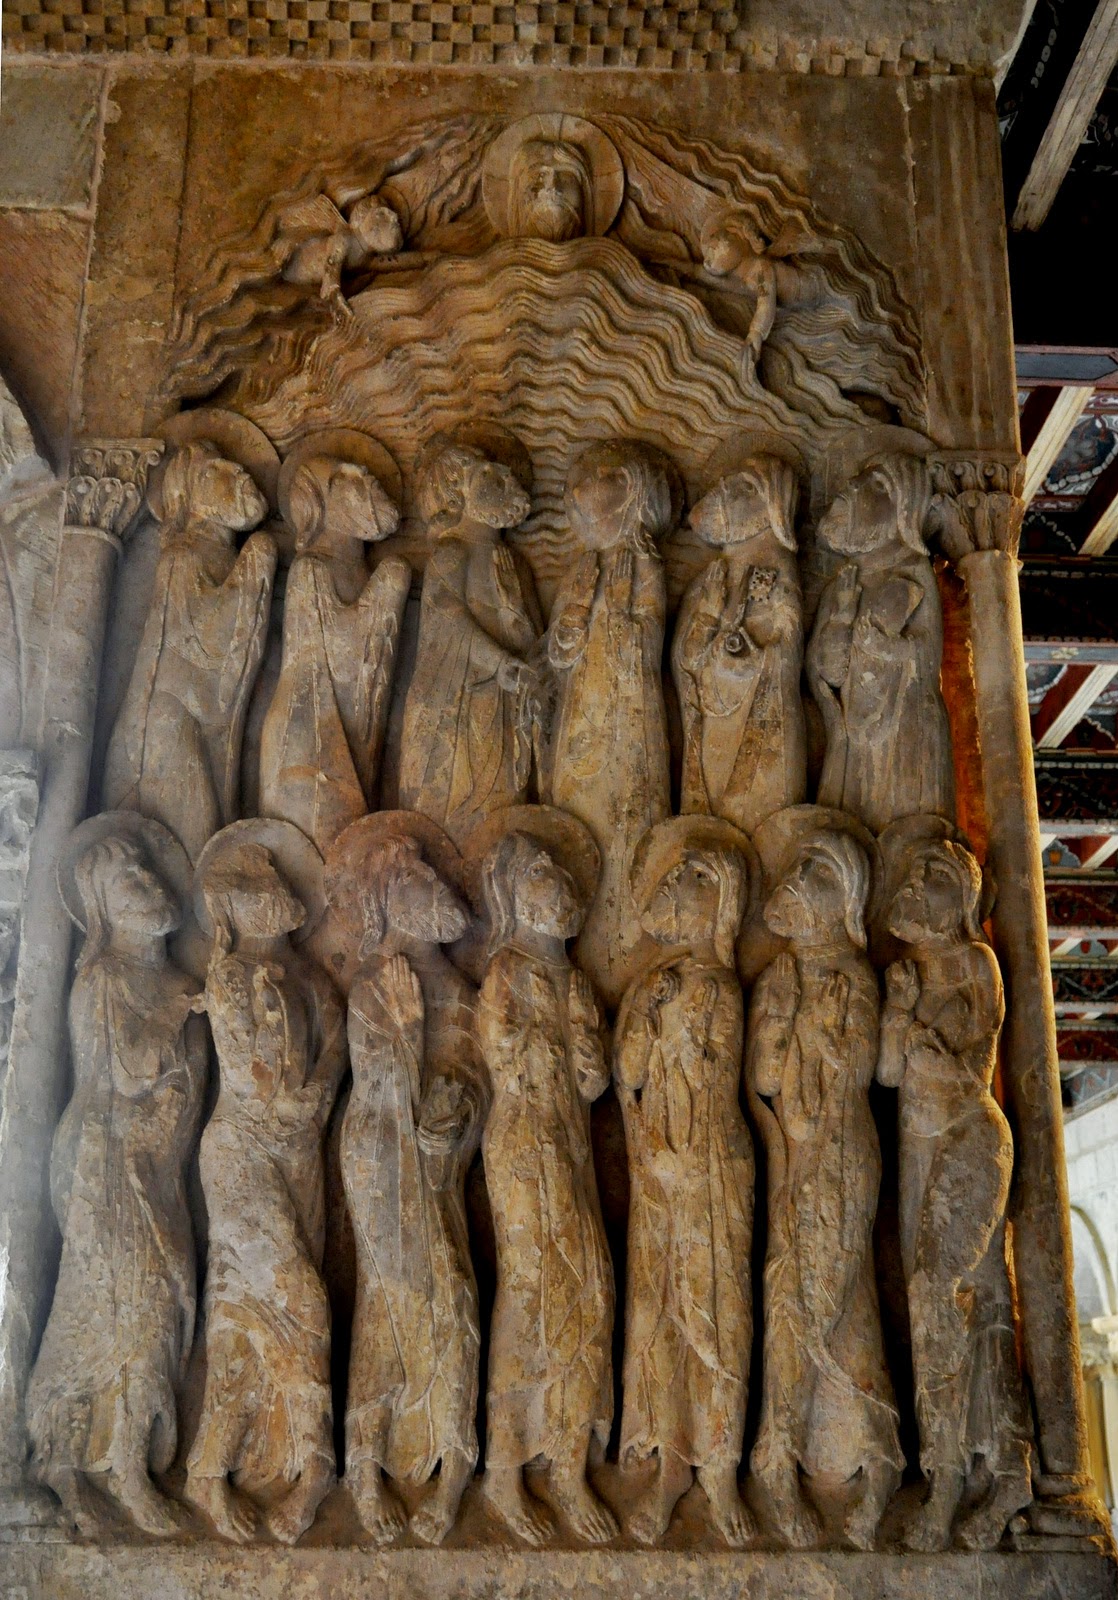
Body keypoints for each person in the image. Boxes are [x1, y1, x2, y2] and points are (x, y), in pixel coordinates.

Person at [27, 820, 205, 1538]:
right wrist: (184, 1006)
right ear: (102, 907)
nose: (150, 884)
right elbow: (129, 1071)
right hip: (107, 1166)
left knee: (161, 1309)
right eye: (129, 879)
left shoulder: (176, 982)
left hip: (158, 1168)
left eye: (147, 871)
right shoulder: (104, 979)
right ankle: (82, 1465)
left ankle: (125, 1460)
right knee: (119, 1311)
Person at [328, 814, 486, 1546]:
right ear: (391, 900)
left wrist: (459, 1111)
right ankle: (364, 1468)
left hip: (438, 1162)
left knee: (450, 1294)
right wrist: (416, 1049)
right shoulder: (374, 985)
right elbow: (381, 1076)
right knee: (389, 1299)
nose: (440, 892)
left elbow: (478, 1080)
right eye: (420, 882)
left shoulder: (459, 987)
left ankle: (453, 1464)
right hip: (382, 1154)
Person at [185, 826, 345, 1546]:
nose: (275, 901)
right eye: (256, 894)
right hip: (245, 1155)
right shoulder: (228, 978)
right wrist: (294, 1097)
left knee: (254, 1316)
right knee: (295, 1303)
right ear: (232, 909)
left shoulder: (312, 979)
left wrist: (318, 1088)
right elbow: (250, 1066)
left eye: (276, 889)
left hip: (299, 1153)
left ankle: (217, 1469)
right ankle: (314, 1470)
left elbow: (336, 1039)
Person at [747, 811, 902, 1549]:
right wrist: (780, 1024)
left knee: (824, 1298)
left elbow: (861, 1072)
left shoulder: (851, 976)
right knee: (802, 1295)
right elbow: (767, 1076)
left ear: (839, 898)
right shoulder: (782, 974)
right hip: (795, 1155)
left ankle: (798, 1458)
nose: (790, 884)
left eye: (810, 874)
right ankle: (811, 1459)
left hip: (840, 1149)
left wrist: (813, 1026)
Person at [877, 821, 1032, 1551]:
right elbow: (888, 1074)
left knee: (941, 1296)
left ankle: (944, 1483)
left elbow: (965, 1077)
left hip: (969, 1141)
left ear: (959, 904)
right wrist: (901, 1016)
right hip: (920, 1148)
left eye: (928, 883)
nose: (910, 894)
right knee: (974, 1302)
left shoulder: (974, 965)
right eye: (908, 882)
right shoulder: (908, 978)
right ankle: (1006, 1474)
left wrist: (917, 1035)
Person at [474, 811, 617, 1546]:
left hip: (570, 1146)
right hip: (526, 1145)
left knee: (587, 1290)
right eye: (539, 879)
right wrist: (548, 1044)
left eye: (560, 879)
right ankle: (505, 1468)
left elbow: (593, 1085)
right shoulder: (507, 972)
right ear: (515, 898)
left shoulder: (578, 982)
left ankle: (565, 1459)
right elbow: (501, 1056)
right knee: (534, 1291)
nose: (557, 890)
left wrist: (586, 1054)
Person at [615, 816, 755, 1546]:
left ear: (718, 903)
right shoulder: (653, 986)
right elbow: (631, 1076)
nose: (673, 893)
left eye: (690, 883)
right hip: (657, 1173)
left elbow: (713, 1076)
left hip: (708, 1170)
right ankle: (672, 1466)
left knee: (716, 1313)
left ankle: (723, 1472)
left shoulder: (721, 988)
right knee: (660, 1313)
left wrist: (680, 1157)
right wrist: (643, 1015)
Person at [103, 441, 276, 863]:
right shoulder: (183, 557)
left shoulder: (212, 554)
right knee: (196, 840)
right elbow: (201, 643)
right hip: (171, 719)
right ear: (189, 495)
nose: (239, 474)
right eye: (218, 470)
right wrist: (255, 569)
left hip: (197, 713)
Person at [547, 438, 675, 1003]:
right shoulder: (580, 568)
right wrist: (571, 627)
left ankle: (631, 958)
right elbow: (558, 648)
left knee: (629, 822)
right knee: (579, 820)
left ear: (631, 494)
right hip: (583, 716)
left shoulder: (646, 562)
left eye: (602, 479)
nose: (584, 494)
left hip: (630, 710)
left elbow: (650, 632)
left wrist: (621, 625)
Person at [259, 452, 410, 851]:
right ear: (322, 504)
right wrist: (388, 591)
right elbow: (334, 660)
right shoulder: (310, 570)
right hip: (308, 737)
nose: (367, 477)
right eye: (350, 478)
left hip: (349, 723)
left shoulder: (361, 573)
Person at [399, 435, 542, 847]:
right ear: (455, 494)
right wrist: (499, 662)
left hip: (502, 706)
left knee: (500, 820)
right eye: (487, 476)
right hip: (454, 710)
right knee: (453, 817)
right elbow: (448, 624)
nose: (505, 478)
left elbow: (528, 631)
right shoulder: (450, 554)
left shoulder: (511, 563)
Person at [807, 451, 954, 833]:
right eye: (861, 479)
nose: (854, 487)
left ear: (901, 513)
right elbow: (824, 672)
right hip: (852, 733)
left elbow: (926, 656)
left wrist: (887, 648)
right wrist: (837, 633)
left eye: (878, 485)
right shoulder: (843, 585)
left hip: (904, 725)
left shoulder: (914, 574)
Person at [673, 453, 805, 834]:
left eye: (744, 487)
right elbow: (686, 658)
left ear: (773, 506)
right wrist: (709, 619)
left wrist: (751, 655)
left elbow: (788, 647)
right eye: (726, 485)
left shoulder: (779, 571)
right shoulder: (710, 578)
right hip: (711, 720)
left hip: (763, 723)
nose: (724, 494)